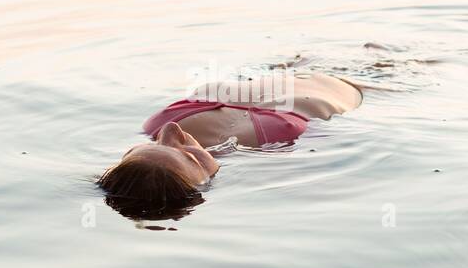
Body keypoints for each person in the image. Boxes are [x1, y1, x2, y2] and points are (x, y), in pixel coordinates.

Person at [97, 72, 362, 218]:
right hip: (347, 80)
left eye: (151, 145)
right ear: (206, 179)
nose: (170, 131)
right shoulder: (279, 152)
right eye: (189, 158)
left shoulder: (158, 125)